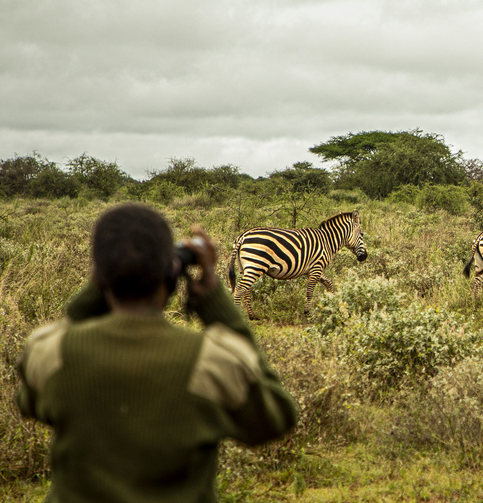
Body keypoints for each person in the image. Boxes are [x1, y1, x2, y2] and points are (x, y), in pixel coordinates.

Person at [15, 203, 298, 503]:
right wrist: (218, 304)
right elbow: (277, 418)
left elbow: (27, 402)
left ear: (98, 276)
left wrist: (99, 285)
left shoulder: (50, 352)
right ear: (171, 275)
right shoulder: (212, 359)